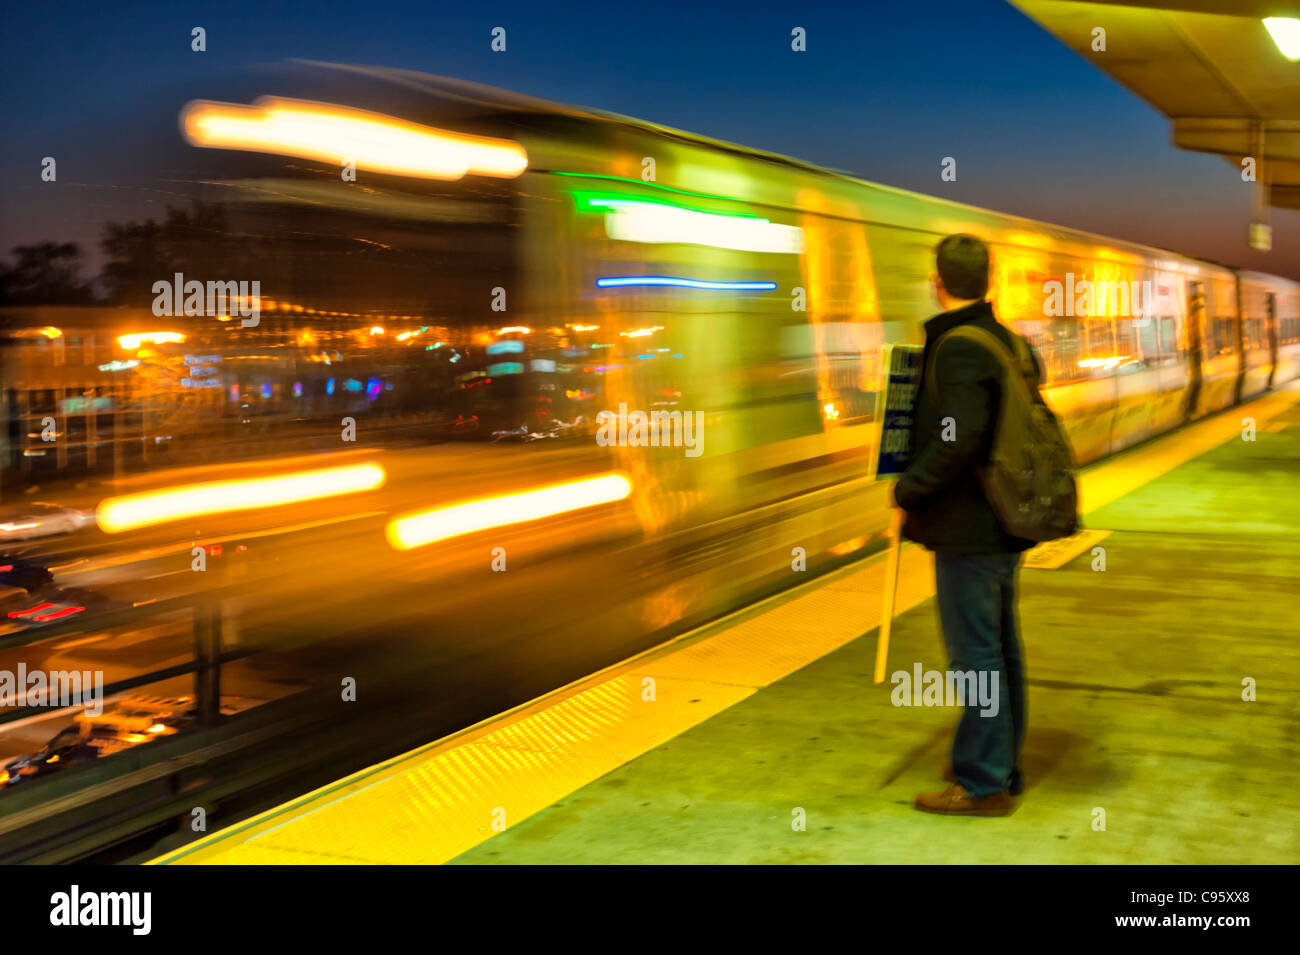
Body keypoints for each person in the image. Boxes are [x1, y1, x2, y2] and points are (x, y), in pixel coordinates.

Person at [893, 233, 1041, 817]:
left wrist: (910, 487)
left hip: (970, 525)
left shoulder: (958, 347)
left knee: (975, 655)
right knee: (1001, 648)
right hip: (1008, 519)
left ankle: (982, 784)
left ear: (939, 281)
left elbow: (959, 436)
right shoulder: (1010, 343)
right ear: (988, 281)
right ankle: (1002, 764)